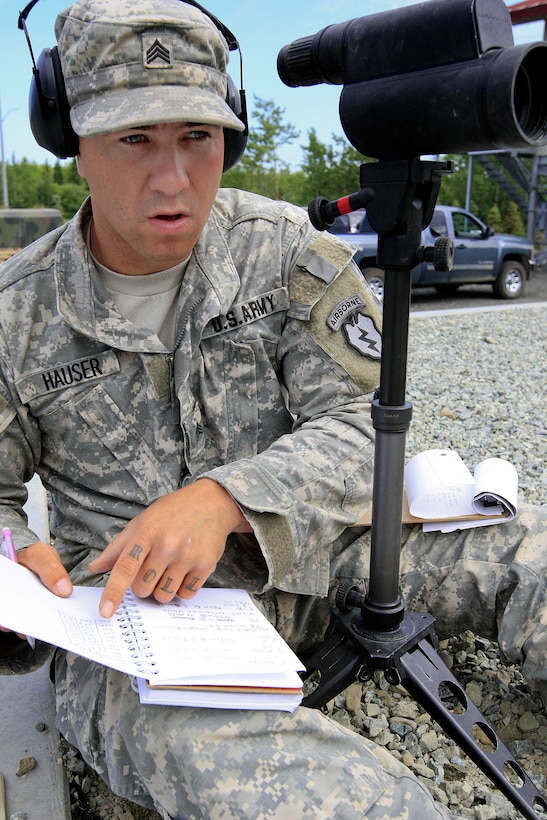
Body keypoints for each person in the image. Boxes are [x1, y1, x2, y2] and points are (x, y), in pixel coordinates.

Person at [0, 0, 545, 817]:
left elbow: (366, 427)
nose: (173, 177)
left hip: (326, 557)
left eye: (197, 137)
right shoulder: (14, 313)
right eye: (134, 139)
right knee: (290, 794)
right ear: (71, 140)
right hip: (135, 623)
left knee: (525, 549)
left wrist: (224, 500)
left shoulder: (284, 249)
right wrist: (10, 555)